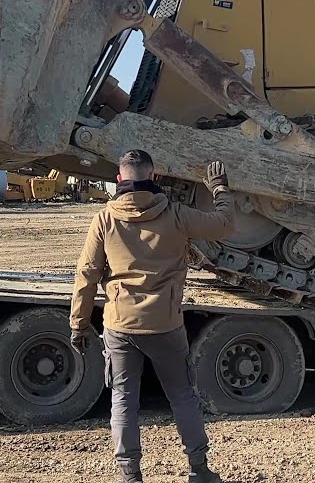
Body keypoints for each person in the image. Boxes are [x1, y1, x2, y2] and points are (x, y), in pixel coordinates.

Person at [69, 149, 235, 483]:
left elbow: (86, 275)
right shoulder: (175, 214)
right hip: (166, 324)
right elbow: (224, 225)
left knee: (124, 399)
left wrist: (79, 324)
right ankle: (199, 470)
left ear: (119, 180)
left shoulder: (105, 219)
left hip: (119, 324)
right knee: (182, 396)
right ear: (154, 177)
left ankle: (131, 475)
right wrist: (219, 188)